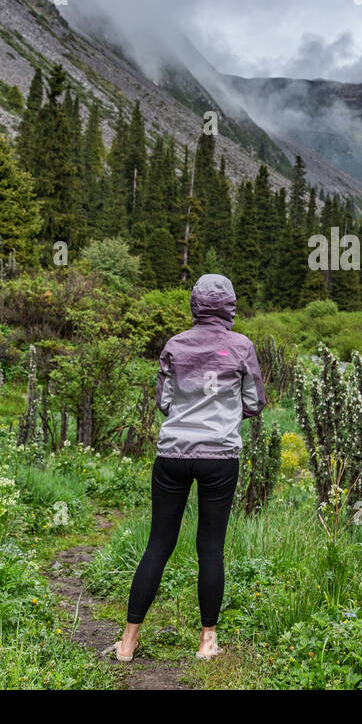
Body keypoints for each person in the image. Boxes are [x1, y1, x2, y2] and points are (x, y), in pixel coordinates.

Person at [112, 273, 265, 662]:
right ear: (230, 306)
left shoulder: (175, 345)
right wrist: (224, 415)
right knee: (210, 548)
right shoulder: (242, 346)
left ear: (195, 304)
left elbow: (164, 401)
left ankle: (128, 643)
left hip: (172, 455)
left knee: (158, 545)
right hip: (220, 457)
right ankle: (207, 642)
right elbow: (255, 402)